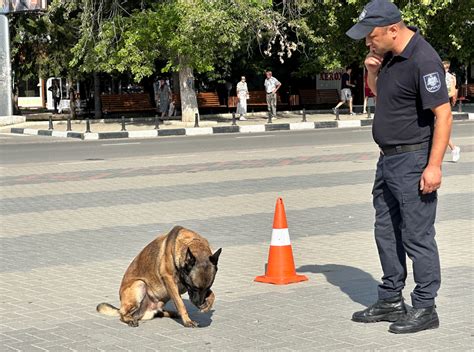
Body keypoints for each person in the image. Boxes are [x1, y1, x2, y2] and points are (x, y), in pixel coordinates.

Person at [346, 0, 452, 334]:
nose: (367, 41)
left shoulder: (423, 59)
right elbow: (383, 95)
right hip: (388, 159)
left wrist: (433, 166)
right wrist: (372, 71)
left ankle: (425, 306)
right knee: (386, 232)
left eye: (371, 35)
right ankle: (391, 298)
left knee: (417, 236)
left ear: (394, 29)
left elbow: (443, 114)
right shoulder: (389, 56)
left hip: (413, 159)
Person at [443, 61, 461, 162]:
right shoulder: (442, 76)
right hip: (441, 103)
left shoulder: (450, 77)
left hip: (444, 103)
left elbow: (453, 92)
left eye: (444, 68)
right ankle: (454, 149)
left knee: (440, 129)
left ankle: (454, 148)